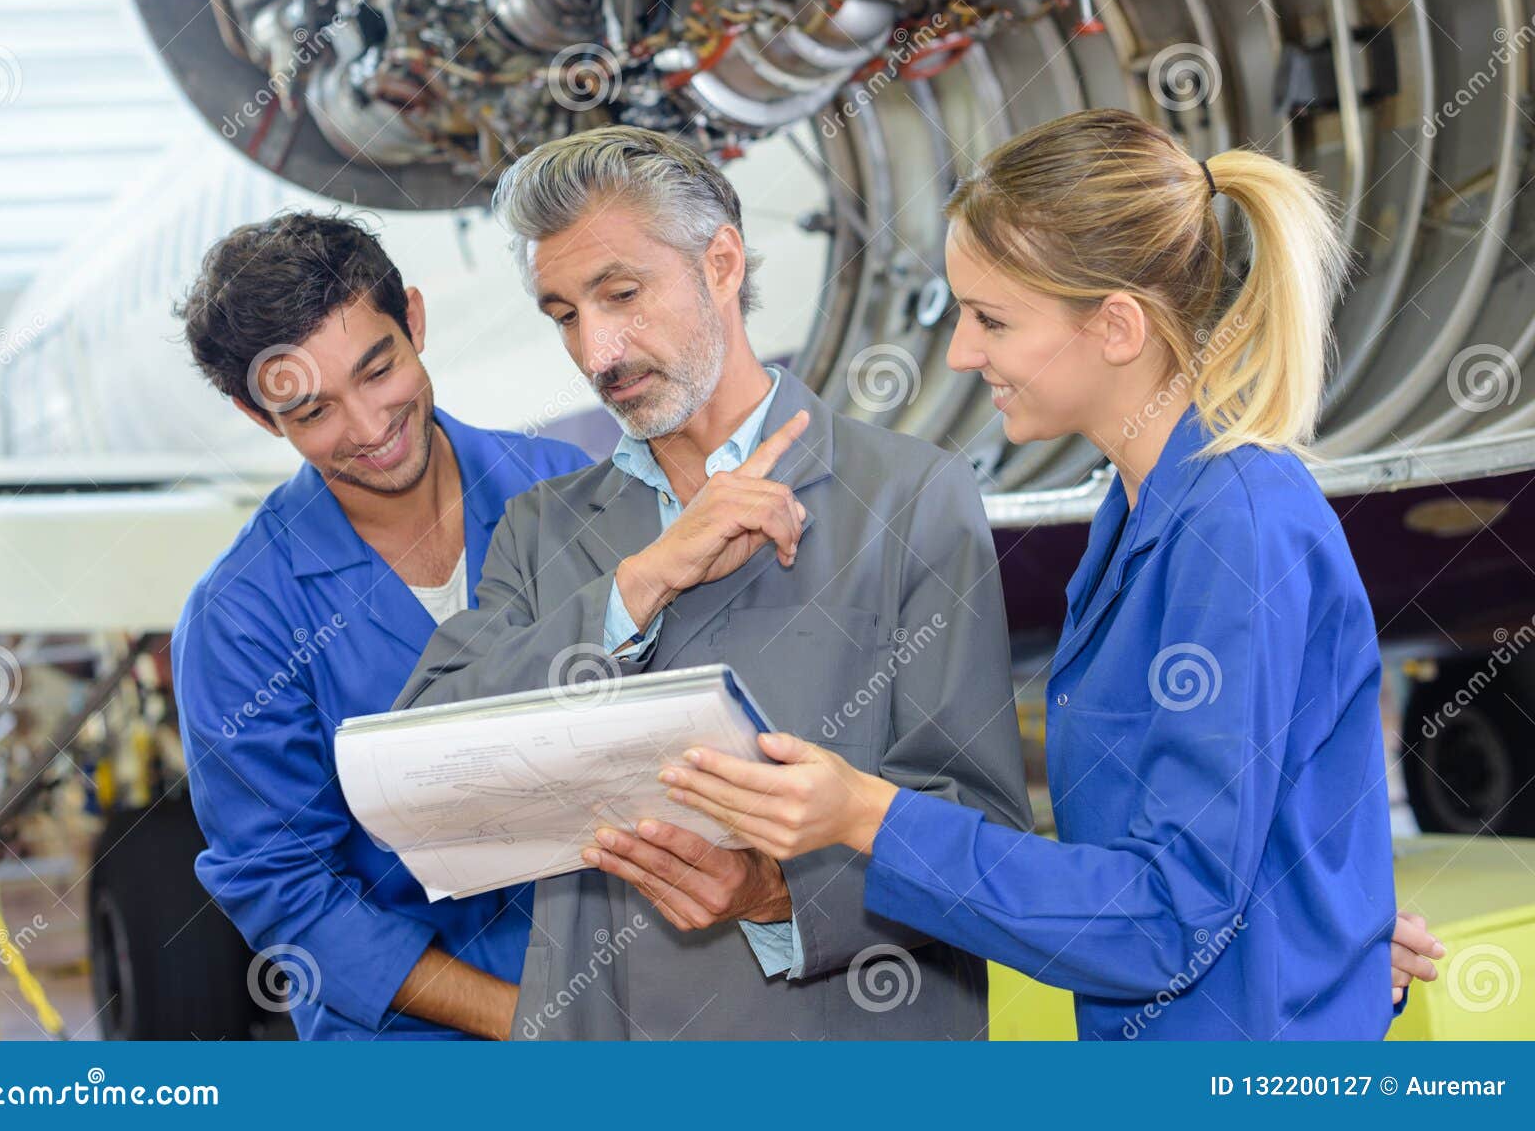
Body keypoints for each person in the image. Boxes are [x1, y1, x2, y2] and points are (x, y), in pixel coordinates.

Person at [657, 108, 1446, 1039]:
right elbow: (1230, 840)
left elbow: (1164, 918)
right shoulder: (1140, 508)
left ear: (1116, 326)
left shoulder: (1234, 528)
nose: (960, 352)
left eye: (992, 318)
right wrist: (1327, 925)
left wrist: (871, 815)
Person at [393, 125, 1031, 1039]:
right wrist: (638, 584)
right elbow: (428, 764)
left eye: (621, 294)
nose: (596, 350)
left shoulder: (908, 494)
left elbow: (978, 827)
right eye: (564, 313)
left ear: (721, 263)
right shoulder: (546, 529)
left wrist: (775, 895)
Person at [171, 212, 591, 1040]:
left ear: (416, 323)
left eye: (378, 369)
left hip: (627, 997)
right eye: (315, 411)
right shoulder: (239, 621)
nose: (369, 430)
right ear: (260, 417)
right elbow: (285, 890)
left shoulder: (570, 492)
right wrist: (527, 1022)